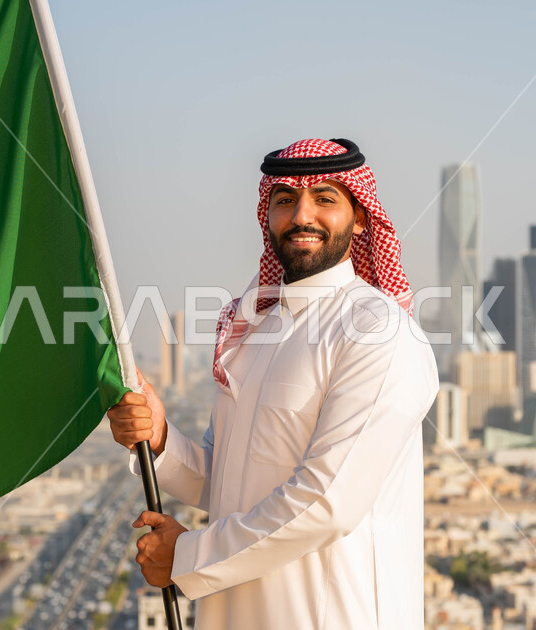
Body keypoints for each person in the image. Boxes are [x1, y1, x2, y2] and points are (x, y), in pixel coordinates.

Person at [106, 138, 438, 628]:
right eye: (284, 199)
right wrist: (158, 439)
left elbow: (328, 502)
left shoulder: (378, 332)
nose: (301, 214)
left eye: (325, 198)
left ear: (361, 217)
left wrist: (187, 556)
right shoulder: (255, 331)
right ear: (268, 215)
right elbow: (229, 484)